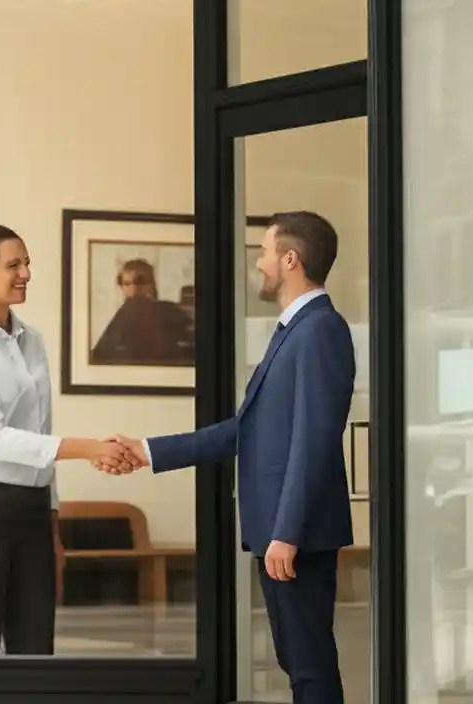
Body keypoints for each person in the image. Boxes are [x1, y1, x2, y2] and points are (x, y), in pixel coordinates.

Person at [102, 211, 354, 703]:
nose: (258, 264)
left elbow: (315, 441)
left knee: (310, 667)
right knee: (299, 663)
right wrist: (149, 450)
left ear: (291, 258)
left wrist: (287, 531)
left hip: (293, 534)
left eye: (263, 252)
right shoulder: (293, 330)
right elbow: (246, 429)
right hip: (281, 531)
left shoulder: (320, 330)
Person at [0, 224, 138, 655]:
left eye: (27, 263)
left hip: (32, 513)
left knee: (36, 652)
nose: (26, 272)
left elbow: (39, 435)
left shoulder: (34, 341)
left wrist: (52, 527)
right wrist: (88, 449)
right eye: (13, 265)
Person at [91, 258, 195, 366]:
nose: (134, 290)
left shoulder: (169, 310)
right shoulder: (123, 314)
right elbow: (100, 356)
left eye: (140, 283)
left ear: (151, 284)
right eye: (127, 284)